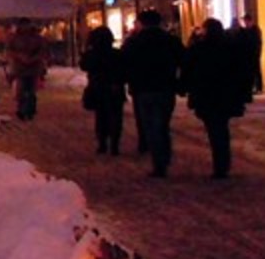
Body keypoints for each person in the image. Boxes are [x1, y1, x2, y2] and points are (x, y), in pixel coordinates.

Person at [121, 9, 185, 177]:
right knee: (162, 123)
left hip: (144, 88)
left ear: (142, 23)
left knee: (151, 125)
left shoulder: (134, 42)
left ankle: (160, 161)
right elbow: (183, 60)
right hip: (166, 87)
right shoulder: (170, 41)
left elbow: (125, 63)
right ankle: (164, 154)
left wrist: (129, 81)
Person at [181, 17, 243, 178]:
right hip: (225, 93)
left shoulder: (199, 48)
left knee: (214, 129)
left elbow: (188, 69)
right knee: (221, 127)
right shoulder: (230, 47)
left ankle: (220, 164)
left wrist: (183, 87)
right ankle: (223, 162)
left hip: (206, 94)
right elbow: (240, 70)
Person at [79, 24, 126, 154]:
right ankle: (115, 144)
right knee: (116, 116)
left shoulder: (91, 54)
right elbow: (124, 70)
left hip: (97, 87)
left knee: (101, 116)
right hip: (115, 88)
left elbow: (84, 66)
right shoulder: (117, 54)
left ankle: (102, 143)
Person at [5, 20, 49, 120]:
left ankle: (30, 110)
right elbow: (9, 50)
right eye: (23, 25)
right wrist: (20, 56)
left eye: (27, 25)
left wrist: (34, 58)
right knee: (20, 89)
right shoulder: (14, 38)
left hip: (34, 67)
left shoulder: (38, 38)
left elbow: (43, 51)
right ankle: (21, 109)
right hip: (19, 67)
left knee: (31, 90)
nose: (25, 27)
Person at [231, 15, 263, 104]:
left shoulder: (254, 30)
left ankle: (258, 87)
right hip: (248, 56)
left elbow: (257, 43)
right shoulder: (245, 31)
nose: (245, 23)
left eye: (246, 21)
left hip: (252, 55)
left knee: (255, 71)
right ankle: (254, 88)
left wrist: (257, 53)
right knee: (251, 72)